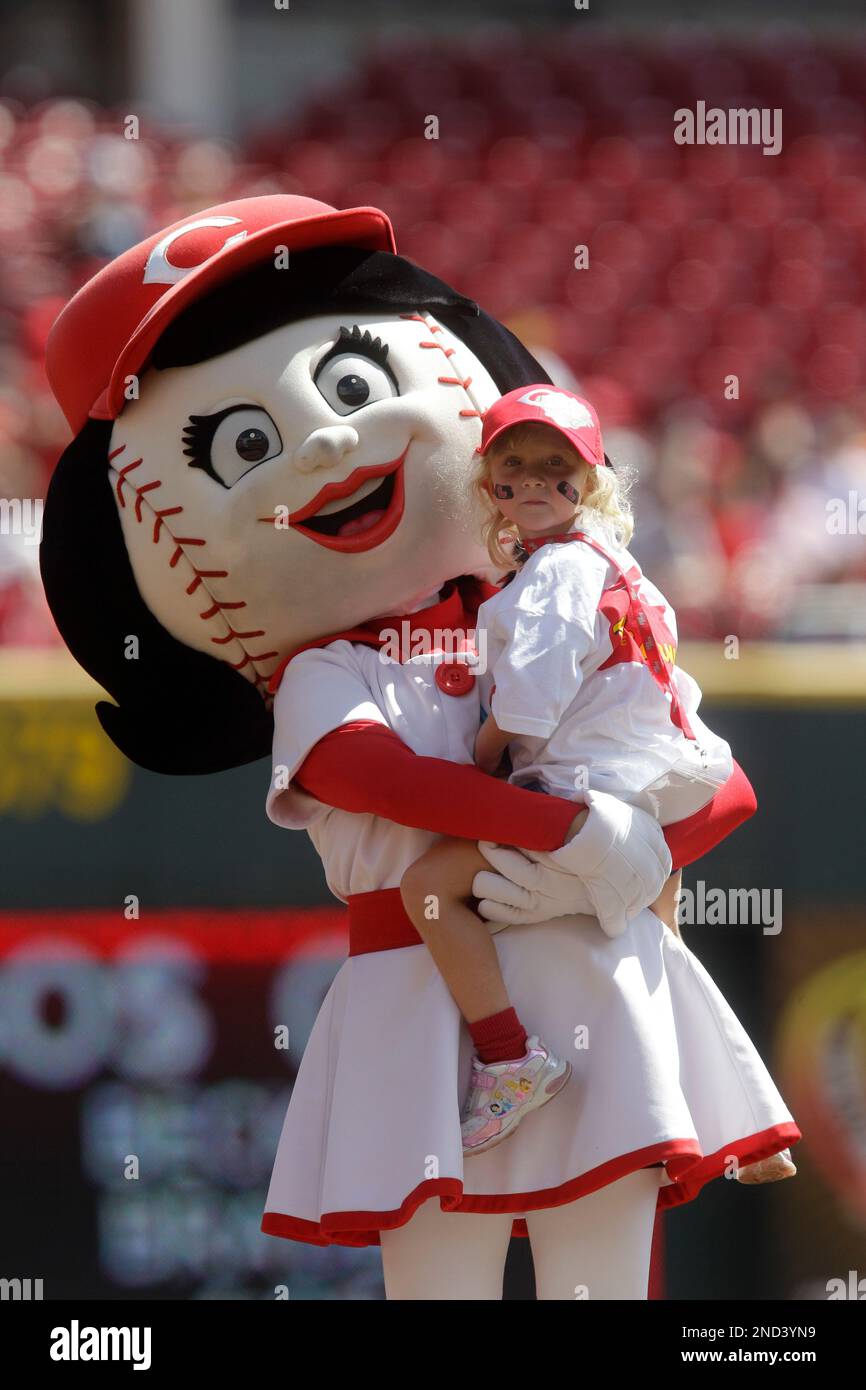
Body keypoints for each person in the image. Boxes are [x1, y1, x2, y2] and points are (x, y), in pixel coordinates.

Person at [398, 386, 796, 1183]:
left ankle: (507, 1058)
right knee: (665, 955)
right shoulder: (619, 561)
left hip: (586, 800)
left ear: (591, 482)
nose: (539, 482)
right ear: (492, 489)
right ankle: (748, 1126)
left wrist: (481, 752)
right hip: (660, 784)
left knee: (429, 889)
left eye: (559, 468)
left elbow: (530, 705)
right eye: (518, 469)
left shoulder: (553, 574)